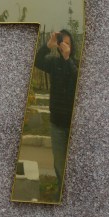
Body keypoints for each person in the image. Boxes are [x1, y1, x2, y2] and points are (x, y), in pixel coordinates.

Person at [35, 29, 78, 193]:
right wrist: (48, 46)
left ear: (72, 45)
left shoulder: (78, 64)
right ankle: (61, 194)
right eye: (62, 44)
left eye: (68, 43)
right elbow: (37, 61)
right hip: (57, 124)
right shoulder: (53, 63)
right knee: (60, 164)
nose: (65, 46)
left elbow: (76, 80)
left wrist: (68, 59)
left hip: (74, 124)